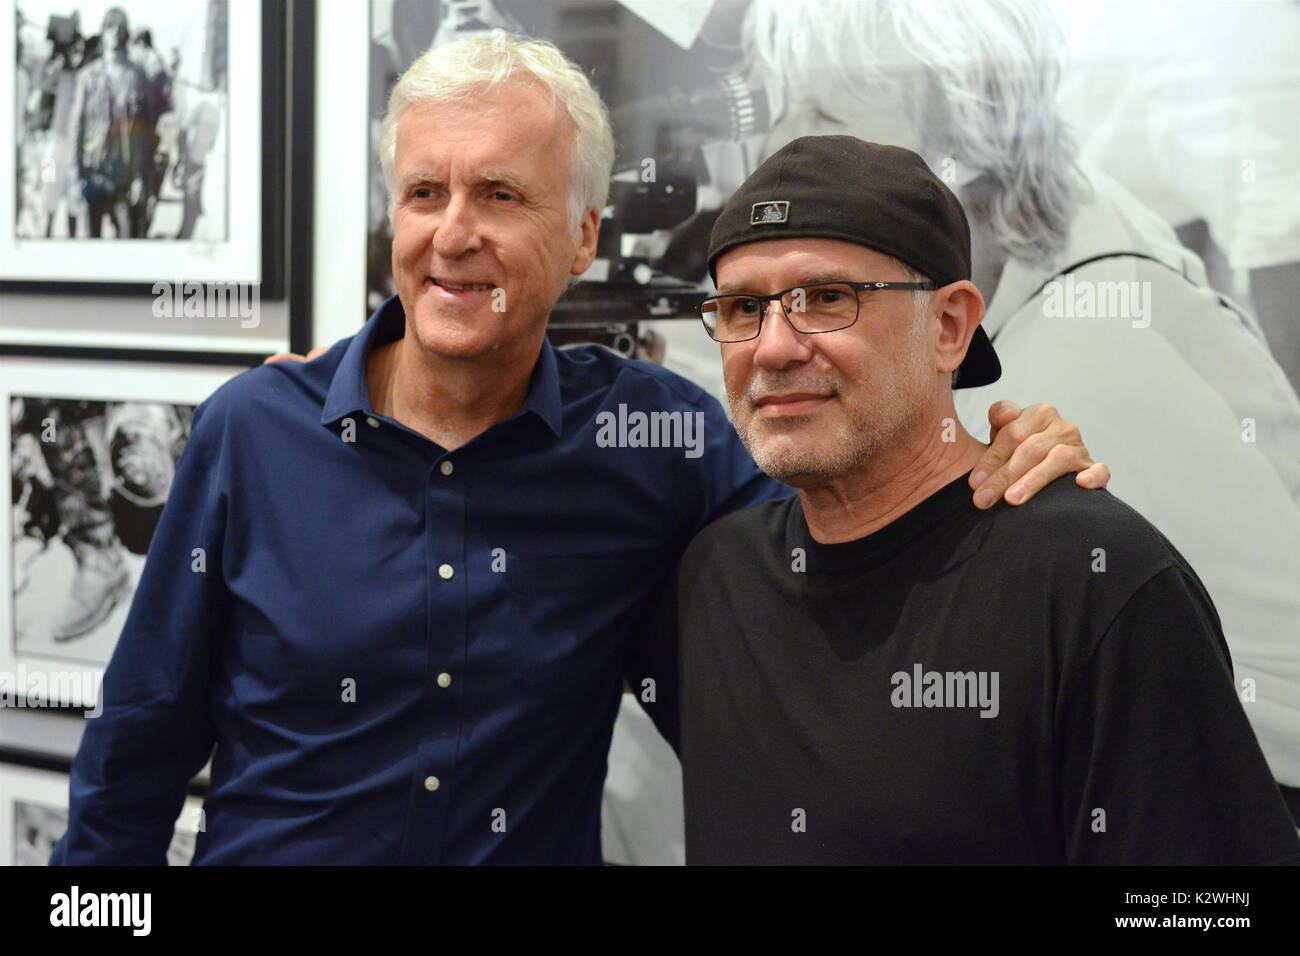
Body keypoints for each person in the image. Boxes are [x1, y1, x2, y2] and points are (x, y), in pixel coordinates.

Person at [52, 36, 1102, 865]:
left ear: (583, 234)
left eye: (500, 195)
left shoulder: (657, 443)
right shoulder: (255, 431)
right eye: (425, 193)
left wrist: (993, 445)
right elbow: (135, 755)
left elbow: (854, 505)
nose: (452, 234)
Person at [632, 135, 1300, 865]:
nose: (773, 347)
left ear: (949, 326)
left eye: (826, 299)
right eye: (740, 308)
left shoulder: (1095, 584)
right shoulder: (711, 585)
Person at [739, 0, 1300, 818]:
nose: (784, 142)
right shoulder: (1050, 232)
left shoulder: (1075, 347)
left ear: (960, 133)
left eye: (822, 111)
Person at [68, 7, 146, 238]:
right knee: (91, 235)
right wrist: (75, 173)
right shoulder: (87, 76)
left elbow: (139, 132)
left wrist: (139, 176)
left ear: (125, 34)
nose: (114, 34)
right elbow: (76, 126)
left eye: (119, 29)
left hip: (122, 171)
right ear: (103, 32)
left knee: (127, 235)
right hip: (92, 168)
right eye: (110, 28)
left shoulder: (134, 75)